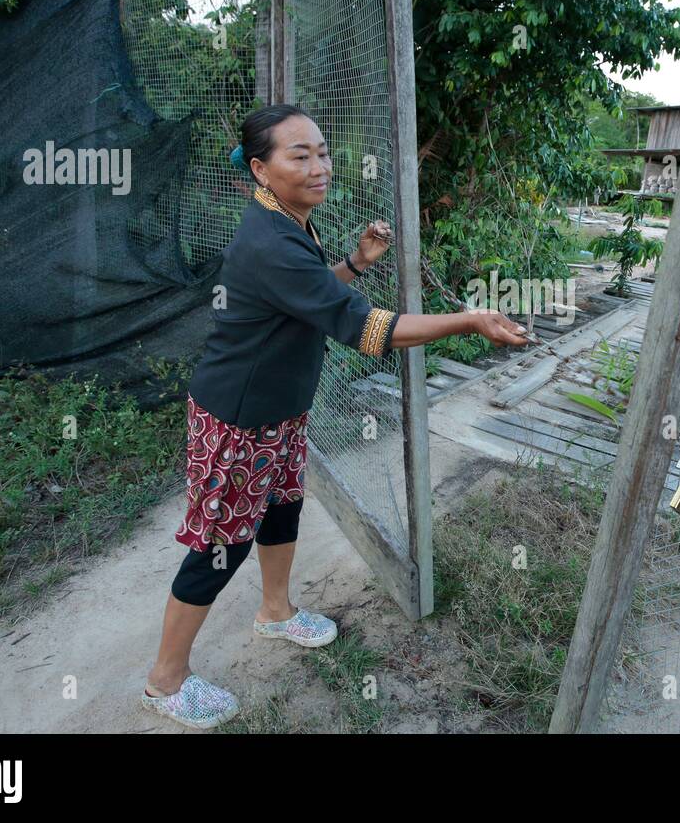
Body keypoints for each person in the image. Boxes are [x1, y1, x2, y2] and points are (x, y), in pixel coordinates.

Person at [140, 104, 530, 729]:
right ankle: (165, 680)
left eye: (322, 151)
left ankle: (275, 612)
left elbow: (309, 296)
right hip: (239, 419)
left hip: (279, 413)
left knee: (281, 510)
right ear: (262, 170)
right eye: (300, 156)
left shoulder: (288, 219)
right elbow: (362, 327)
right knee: (220, 547)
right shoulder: (269, 240)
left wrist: (355, 264)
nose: (320, 166)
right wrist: (470, 319)